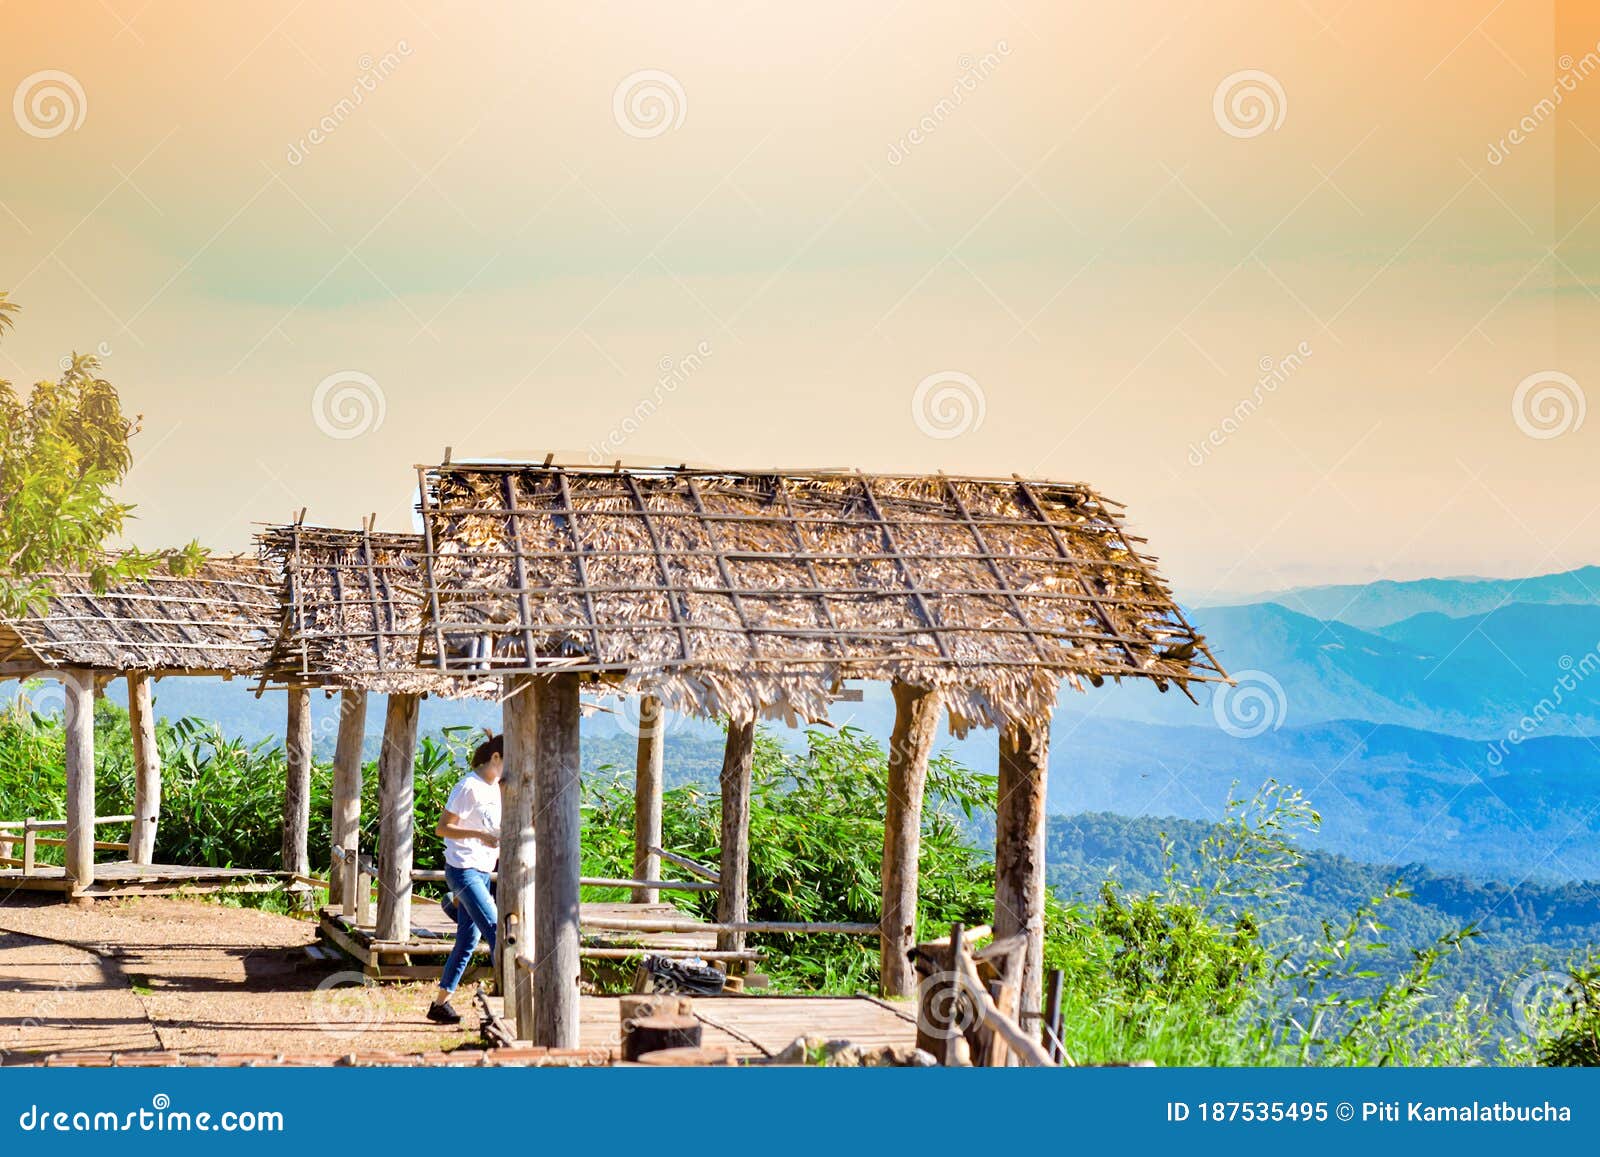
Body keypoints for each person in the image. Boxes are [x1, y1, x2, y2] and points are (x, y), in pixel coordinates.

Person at [427, 733, 503, 1024]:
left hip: (484, 870)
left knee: (468, 939)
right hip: (462, 869)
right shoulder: (468, 787)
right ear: (495, 757)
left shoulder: (496, 787)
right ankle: (508, 999)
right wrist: (479, 834)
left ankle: (440, 1004)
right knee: (497, 929)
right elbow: (443, 828)